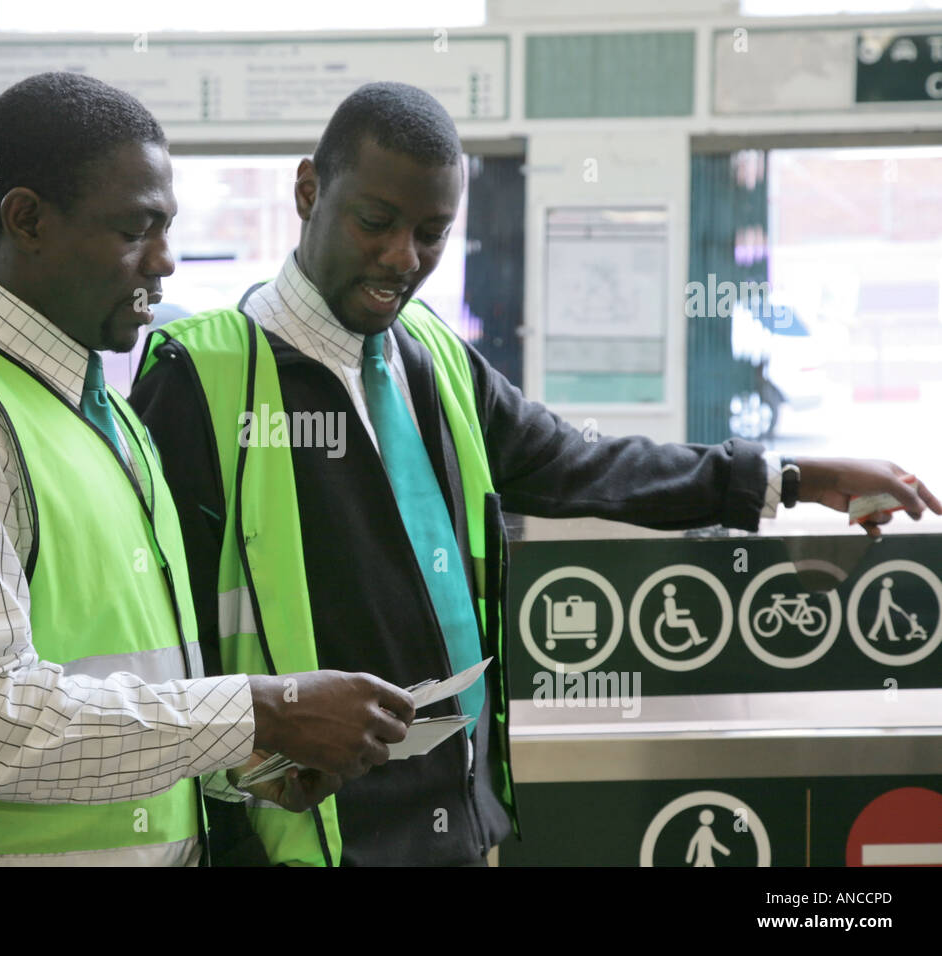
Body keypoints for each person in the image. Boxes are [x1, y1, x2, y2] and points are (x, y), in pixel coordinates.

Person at [129, 81, 942, 867]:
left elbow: (580, 463)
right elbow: (163, 642)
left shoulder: (435, 360)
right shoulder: (201, 377)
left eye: (432, 233)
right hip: (300, 838)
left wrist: (789, 476)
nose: (401, 258)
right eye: (375, 222)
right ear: (309, 191)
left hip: (456, 819)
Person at [0, 72, 414, 867]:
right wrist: (261, 713)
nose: (164, 261)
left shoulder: (108, 416)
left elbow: (122, 673)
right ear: (26, 219)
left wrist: (242, 765)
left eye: (167, 226)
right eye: (135, 229)